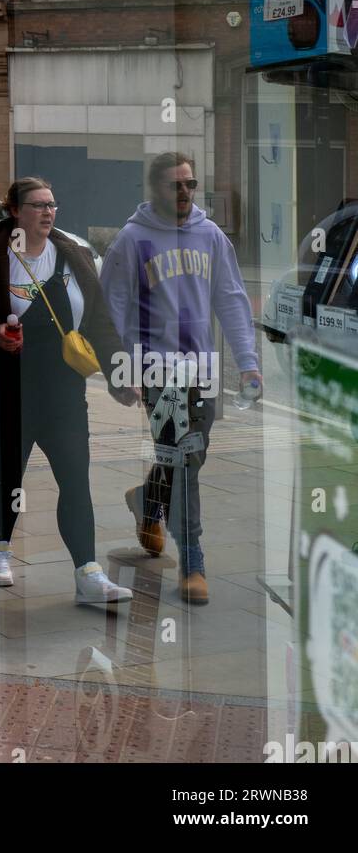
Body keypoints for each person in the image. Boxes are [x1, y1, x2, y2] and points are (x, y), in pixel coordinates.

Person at [0, 176, 137, 606]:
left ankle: (88, 572)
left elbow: (99, 321)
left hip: (64, 385)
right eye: (37, 206)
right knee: (9, 472)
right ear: (15, 211)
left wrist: (119, 374)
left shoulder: (72, 256)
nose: (48, 213)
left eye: (52, 205)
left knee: (74, 475)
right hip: (8, 382)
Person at [100, 152, 263, 606]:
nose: (186, 193)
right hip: (157, 370)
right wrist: (122, 371)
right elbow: (111, 309)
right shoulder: (132, 240)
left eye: (191, 184)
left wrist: (248, 362)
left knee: (189, 456)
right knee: (185, 461)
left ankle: (147, 497)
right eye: (176, 185)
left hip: (203, 369)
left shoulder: (210, 236)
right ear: (155, 190)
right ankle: (193, 562)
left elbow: (230, 299)